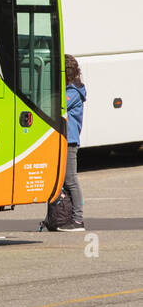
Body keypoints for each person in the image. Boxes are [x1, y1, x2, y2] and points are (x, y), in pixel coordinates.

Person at [62, 54, 87, 231]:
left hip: (70, 141)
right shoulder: (70, 90)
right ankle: (65, 216)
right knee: (63, 180)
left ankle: (78, 219)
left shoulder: (73, 93)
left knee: (71, 180)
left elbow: (60, 105)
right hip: (63, 140)